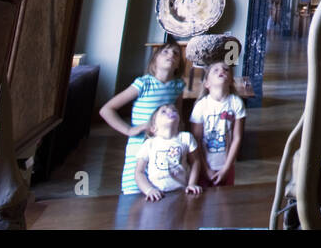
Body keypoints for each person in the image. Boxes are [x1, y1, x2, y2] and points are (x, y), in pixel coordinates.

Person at [99, 42, 186, 194]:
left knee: (162, 192)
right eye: (165, 52)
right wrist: (129, 130)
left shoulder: (178, 86)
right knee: (133, 191)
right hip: (138, 146)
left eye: (176, 53)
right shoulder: (143, 83)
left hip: (164, 150)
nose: (171, 55)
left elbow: (178, 116)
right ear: (155, 60)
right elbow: (107, 110)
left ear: (179, 64)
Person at [190, 61, 247, 186]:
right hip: (204, 165)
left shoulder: (236, 103)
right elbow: (196, 140)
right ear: (207, 83)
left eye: (226, 69)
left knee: (225, 200)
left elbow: (237, 137)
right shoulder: (201, 106)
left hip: (226, 166)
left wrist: (226, 168)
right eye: (215, 70)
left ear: (231, 80)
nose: (222, 71)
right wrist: (206, 169)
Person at [134, 103, 203, 201]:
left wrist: (192, 184)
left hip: (182, 192)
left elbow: (196, 161)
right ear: (153, 127)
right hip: (157, 195)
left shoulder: (185, 138)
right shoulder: (150, 143)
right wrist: (149, 190)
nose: (171, 112)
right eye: (163, 111)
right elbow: (139, 172)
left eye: (174, 110)